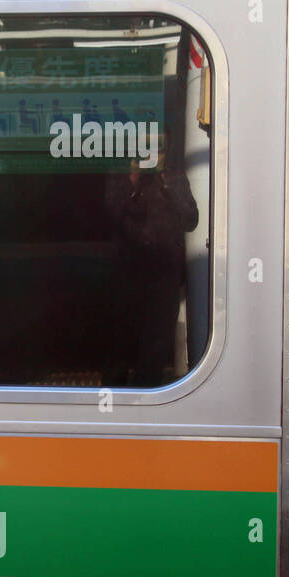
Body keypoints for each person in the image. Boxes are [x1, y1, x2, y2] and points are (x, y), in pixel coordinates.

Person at [103, 129, 199, 387]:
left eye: (158, 149)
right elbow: (110, 214)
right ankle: (112, 402)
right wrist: (132, 183)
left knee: (155, 347)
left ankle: (147, 403)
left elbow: (191, 220)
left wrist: (168, 184)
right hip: (127, 274)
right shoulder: (121, 175)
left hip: (163, 277)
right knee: (120, 343)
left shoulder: (174, 178)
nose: (151, 156)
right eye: (144, 149)